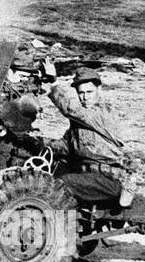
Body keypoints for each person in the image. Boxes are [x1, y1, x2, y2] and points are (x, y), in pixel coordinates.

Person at [33, 67, 134, 209]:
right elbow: (65, 147)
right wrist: (36, 143)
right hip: (88, 177)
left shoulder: (103, 113)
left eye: (89, 92)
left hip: (108, 180)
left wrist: (53, 85)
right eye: (81, 93)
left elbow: (71, 109)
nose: (85, 97)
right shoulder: (80, 123)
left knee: (61, 183)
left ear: (99, 90)